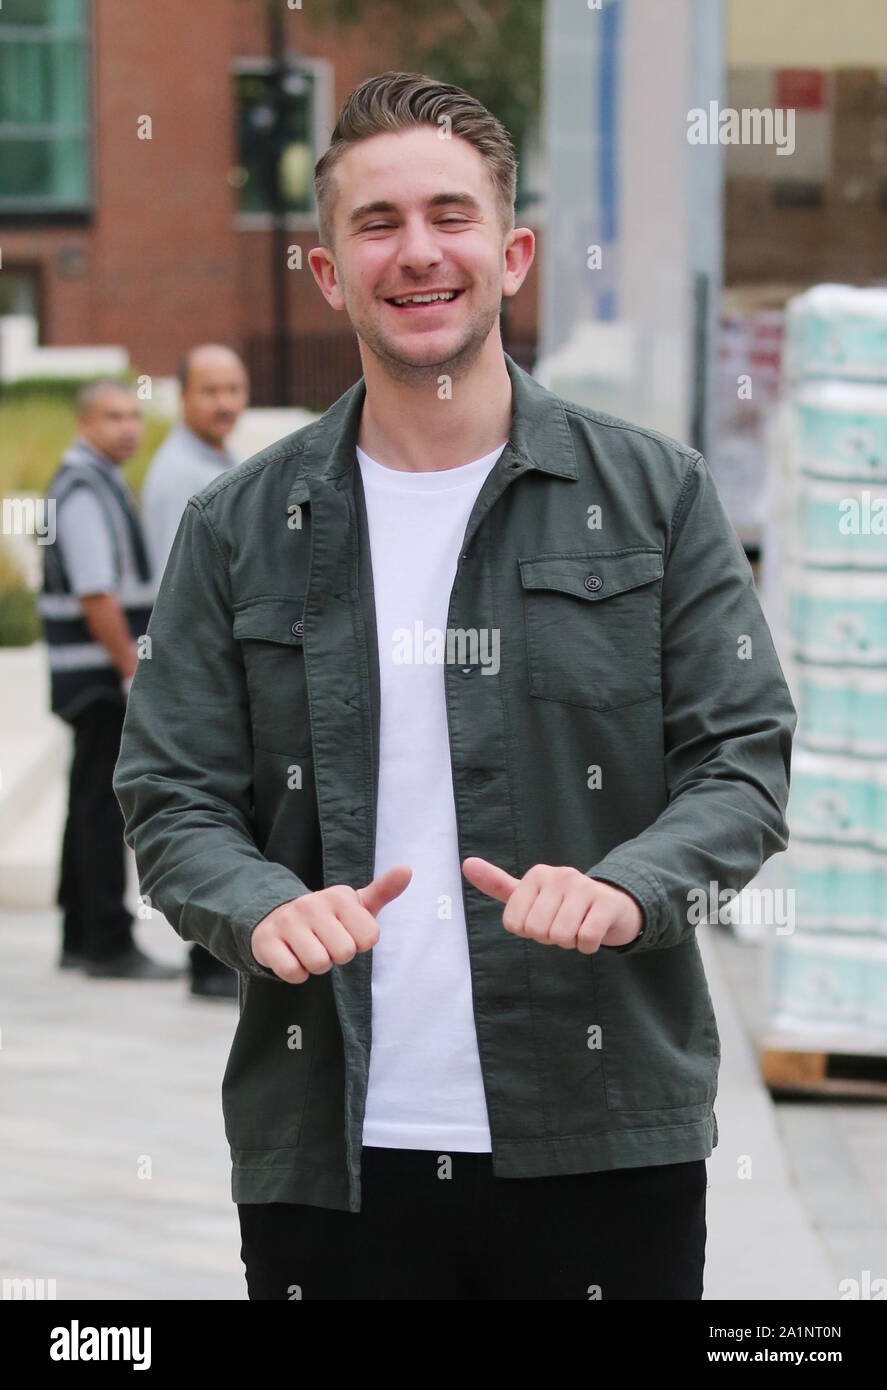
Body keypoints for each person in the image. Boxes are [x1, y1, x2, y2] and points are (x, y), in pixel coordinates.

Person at [114, 71, 797, 1299]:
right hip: (328, 1154)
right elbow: (168, 794)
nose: (417, 252)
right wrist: (261, 904)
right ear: (328, 272)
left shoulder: (655, 494)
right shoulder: (235, 527)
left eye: (450, 215)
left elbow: (741, 761)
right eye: (376, 225)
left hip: (600, 1140)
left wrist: (629, 888)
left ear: (512, 251)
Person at [39, 380, 182, 980]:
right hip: (97, 676)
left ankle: (80, 932)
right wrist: (131, 670)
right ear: (85, 423)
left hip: (90, 674)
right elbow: (96, 592)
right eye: (113, 417)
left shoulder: (94, 481)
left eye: (134, 416)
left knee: (89, 801)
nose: (128, 428)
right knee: (105, 808)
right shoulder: (83, 490)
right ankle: (105, 942)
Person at [140, 344, 249, 999]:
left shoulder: (217, 463)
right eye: (210, 390)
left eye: (234, 389)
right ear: (182, 397)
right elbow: (173, 590)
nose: (225, 403)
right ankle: (212, 962)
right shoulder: (184, 473)